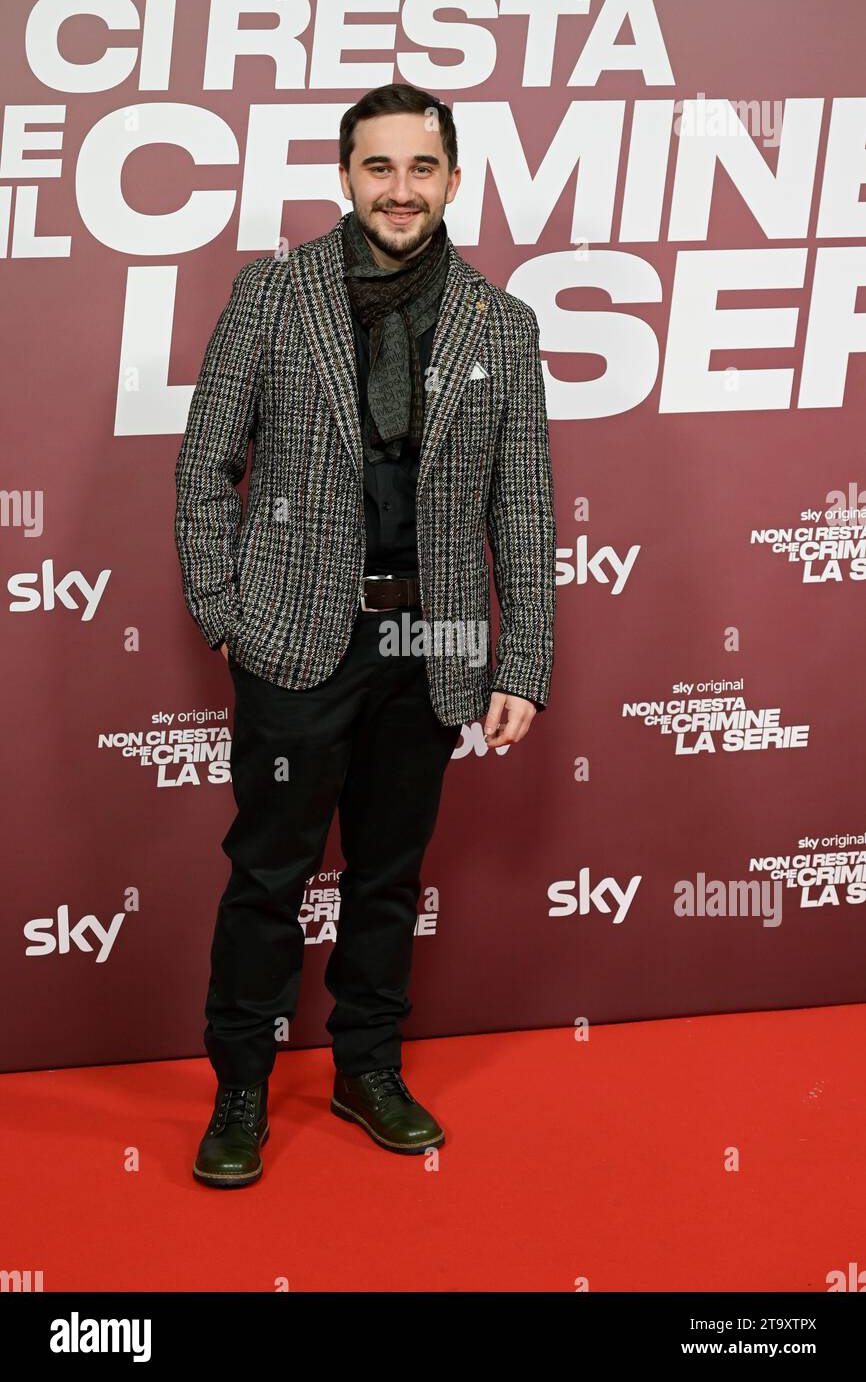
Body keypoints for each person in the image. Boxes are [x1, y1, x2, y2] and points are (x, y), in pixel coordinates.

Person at [174, 83, 556, 1188]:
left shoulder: (499, 322)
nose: (399, 189)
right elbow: (206, 465)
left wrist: (519, 656)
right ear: (346, 177)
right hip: (295, 640)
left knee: (388, 875)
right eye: (378, 167)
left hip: (427, 649)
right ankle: (240, 1087)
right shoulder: (272, 295)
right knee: (267, 876)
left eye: (420, 167)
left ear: (451, 178)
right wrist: (224, 611)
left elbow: (521, 505)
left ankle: (366, 1068)